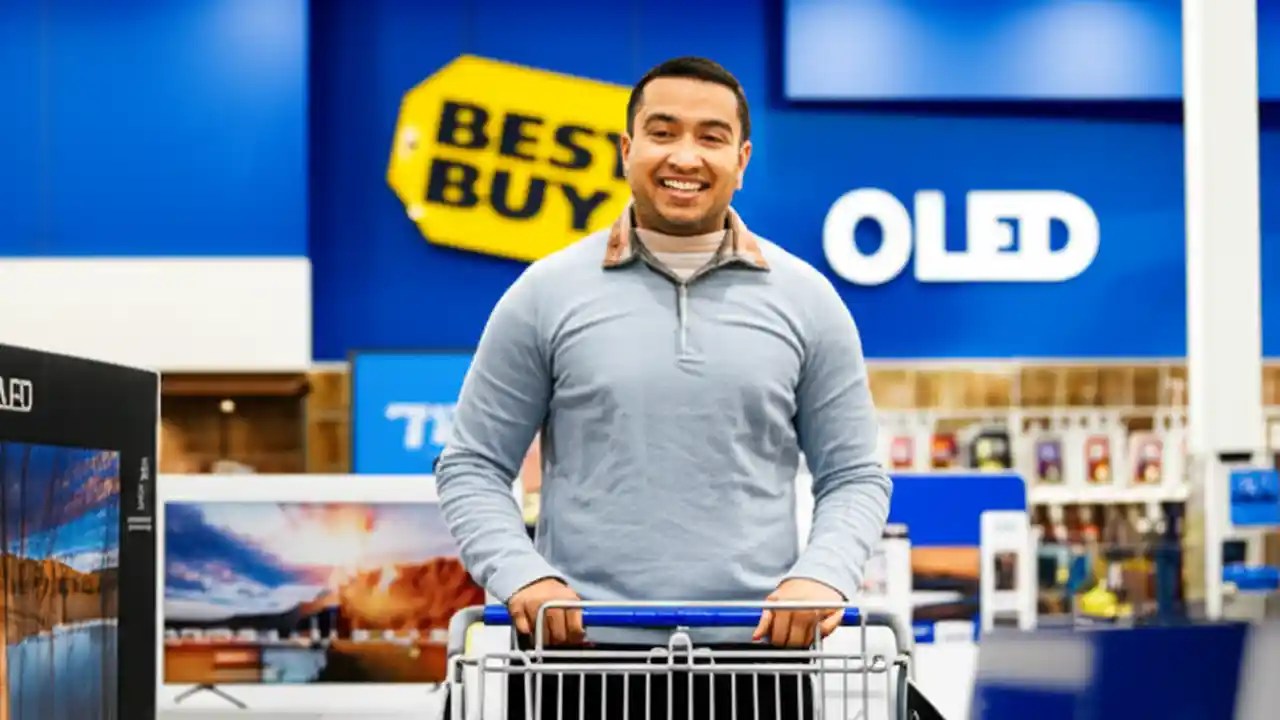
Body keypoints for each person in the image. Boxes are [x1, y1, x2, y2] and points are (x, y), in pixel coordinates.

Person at [435, 56, 892, 720]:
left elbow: (854, 474)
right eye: (662, 131)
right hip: (583, 662)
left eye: (710, 137)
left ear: (742, 158)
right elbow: (472, 465)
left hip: (756, 663)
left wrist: (821, 575)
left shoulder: (808, 301)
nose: (685, 155)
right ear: (626, 150)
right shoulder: (544, 293)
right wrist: (521, 574)